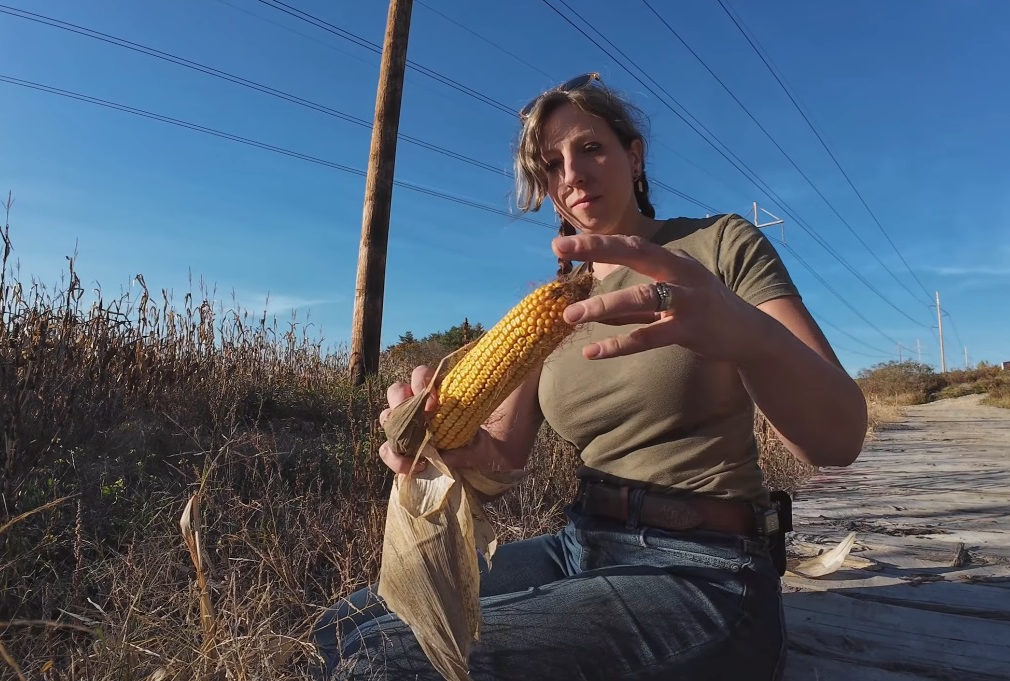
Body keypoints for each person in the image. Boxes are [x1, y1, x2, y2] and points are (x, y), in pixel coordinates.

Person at [312, 72, 868, 680]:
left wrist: (747, 335)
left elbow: (837, 441)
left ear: (634, 156)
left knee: (380, 663)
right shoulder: (558, 302)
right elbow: (500, 460)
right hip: (582, 546)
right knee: (338, 630)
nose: (571, 174)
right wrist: (445, 446)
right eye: (552, 164)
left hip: (706, 568)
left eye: (591, 148)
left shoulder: (717, 245)